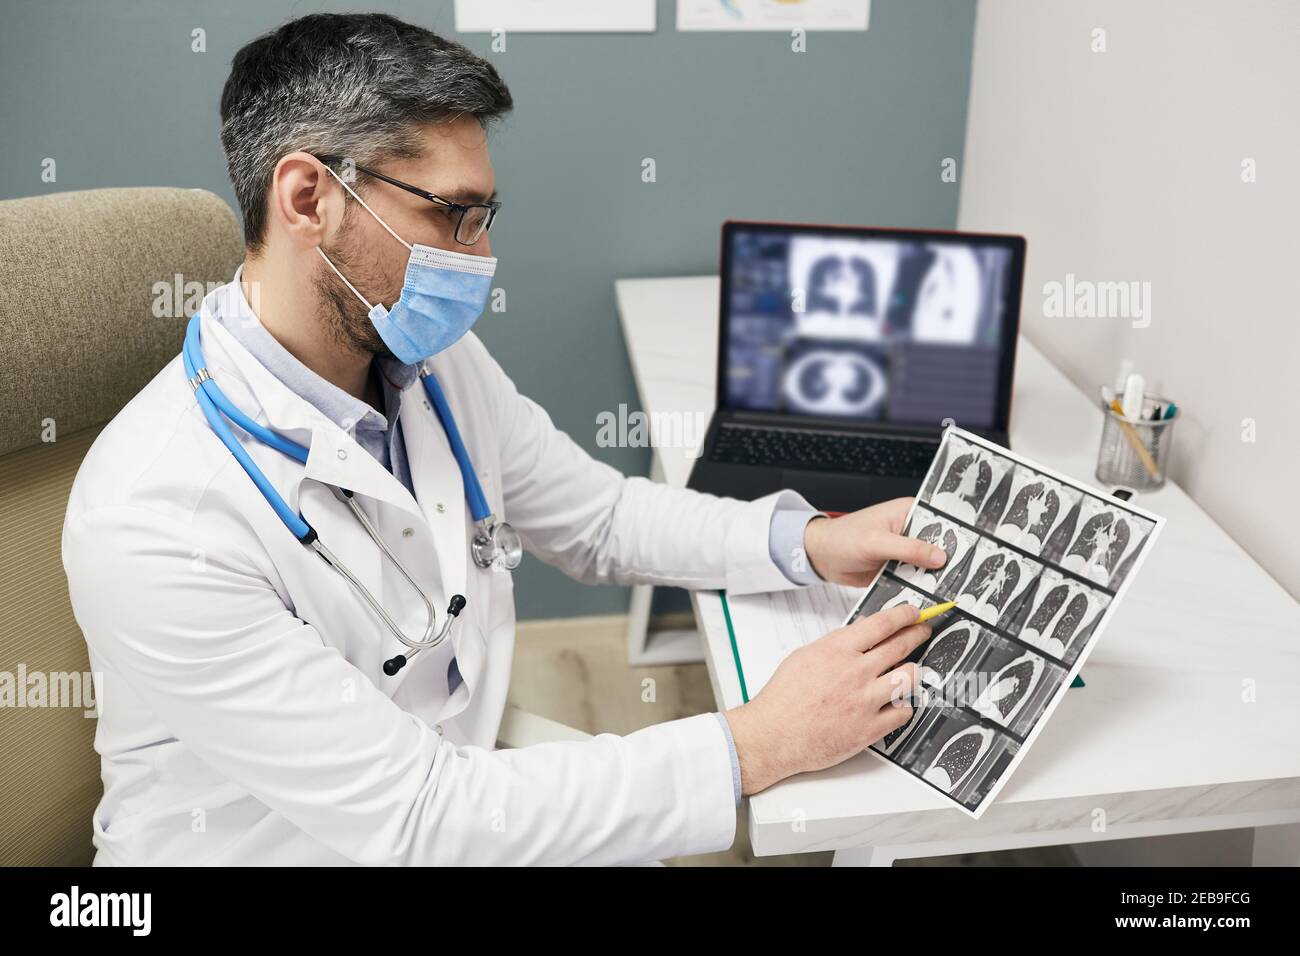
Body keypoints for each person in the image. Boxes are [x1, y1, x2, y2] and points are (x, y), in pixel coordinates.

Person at [62, 13, 947, 866]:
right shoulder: (153, 517)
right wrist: (758, 742)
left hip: (455, 796)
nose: (480, 258)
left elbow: (598, 520)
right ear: (309, 199)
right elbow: (417, 815)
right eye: (455, 214)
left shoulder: (433, 363)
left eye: (485, 218)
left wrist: (805, 541)